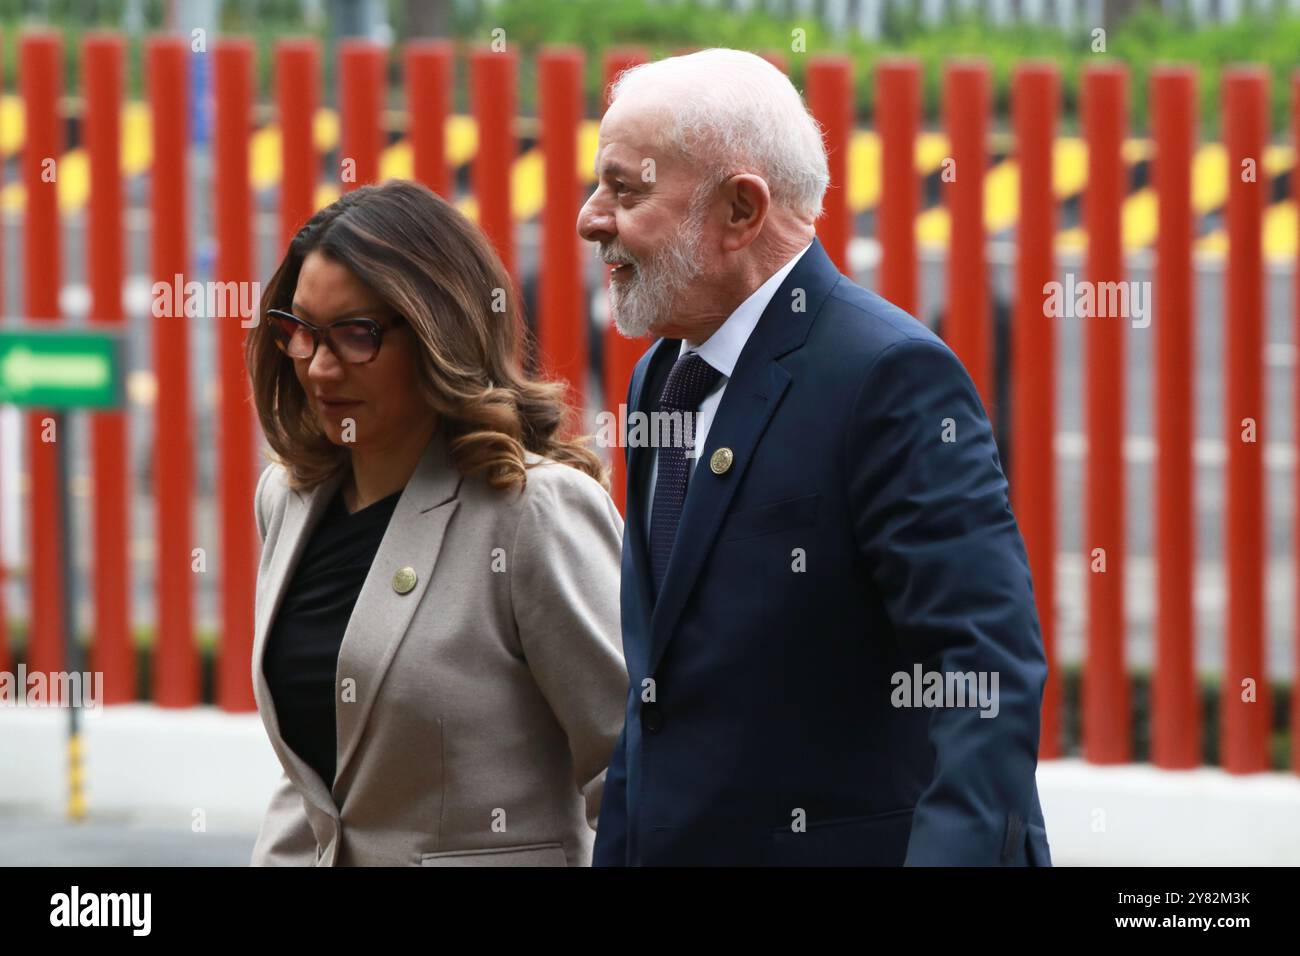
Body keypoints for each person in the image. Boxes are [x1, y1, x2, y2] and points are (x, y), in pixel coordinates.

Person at [578, 49, 1052, 866]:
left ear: (739, 210)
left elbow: (982, 673)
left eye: (626, 190)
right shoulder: (668, 372)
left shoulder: (888, 377)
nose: (591, 217)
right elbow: (655, 698)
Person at [246, 180, 627, 866]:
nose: (319, 366)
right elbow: (317, 781)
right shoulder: (289, 495)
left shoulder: (533, 511)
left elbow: (630, 766)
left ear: (438, 332)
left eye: (357, 335)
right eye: (299, 331)